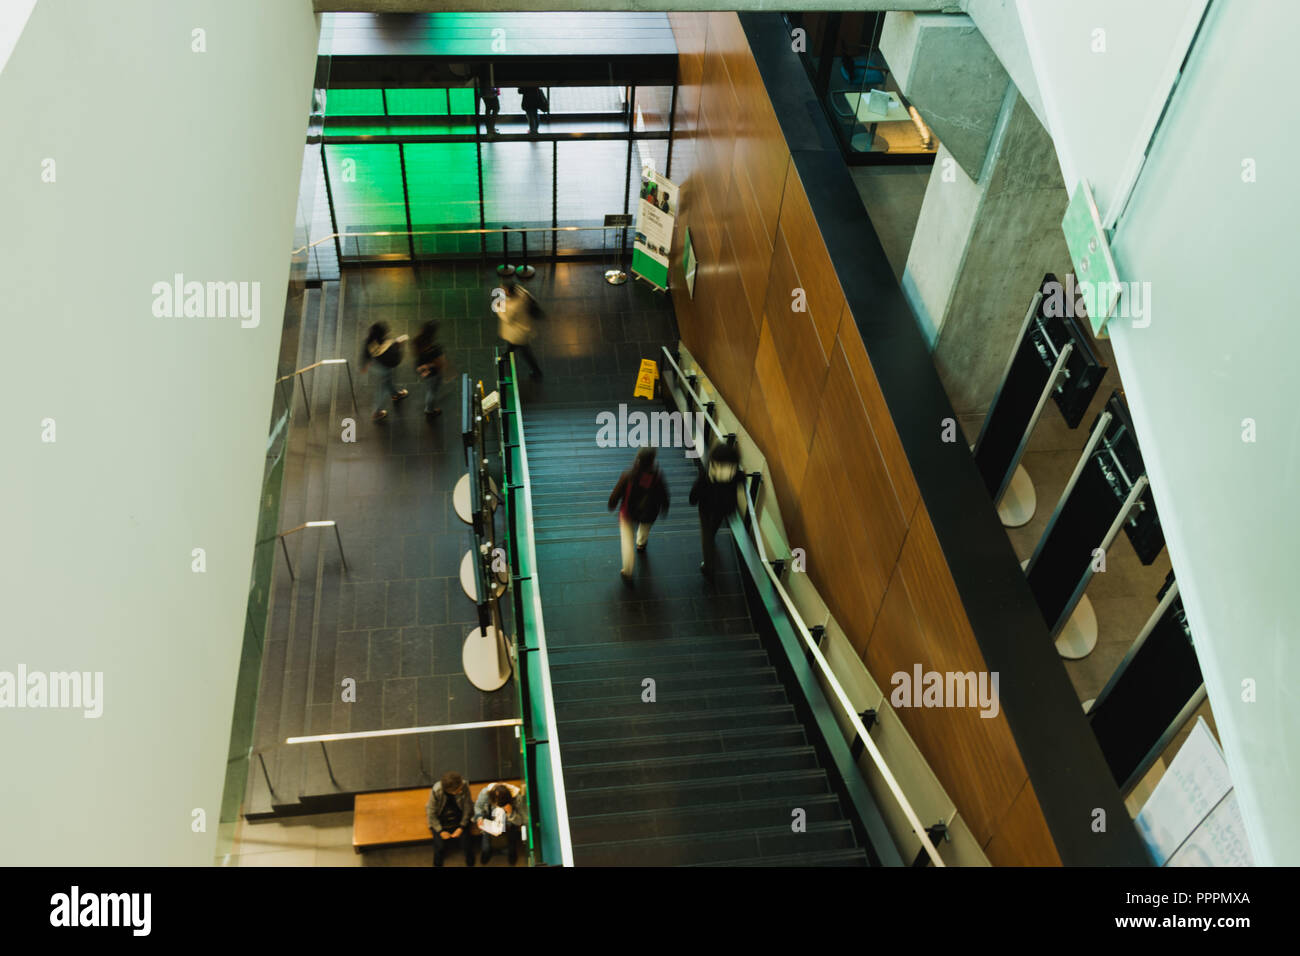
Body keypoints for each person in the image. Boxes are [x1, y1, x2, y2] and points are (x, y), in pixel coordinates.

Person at [608, 447, 669, 585]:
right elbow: (663, 495)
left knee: (627, 542)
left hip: (628, 513)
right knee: (645, 527)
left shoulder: (628, 475)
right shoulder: (657, 477)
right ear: (652, 460)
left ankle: (628, 572)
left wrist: (612, 504)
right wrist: (665, 507)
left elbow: (616, 494)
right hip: (649, 512)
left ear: (638, 458)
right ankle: (641, 544)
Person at [689, 442, 746, 578]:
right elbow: (742, 479)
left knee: (706, 536)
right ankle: (712, 535)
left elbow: (694, 495)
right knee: (716, 524)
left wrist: (693, 499)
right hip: (724, 508)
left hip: (706, 509)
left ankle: (708, 567)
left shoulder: (707, 476)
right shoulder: (735, 474)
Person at [360, 321, 408, 423]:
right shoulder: (387, 345)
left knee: (387, 382)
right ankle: (377, 412)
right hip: (385, 369)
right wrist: (400, 346)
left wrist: (364, 365)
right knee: (381, 391)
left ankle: (395, 394)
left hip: (376, 367)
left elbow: (365, 354)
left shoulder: (369, 341)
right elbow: (395, 361)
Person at [426, 771, 475, 867]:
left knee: (466, 843)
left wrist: (461, 826)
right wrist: (440, 831)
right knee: (439, 847)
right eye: (458, 790)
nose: (461, 790)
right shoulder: (437, 790)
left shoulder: (464, 785)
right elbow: (431, 813)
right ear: (449, 791)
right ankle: (437, 863)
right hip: (441, 821)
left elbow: (467, 807)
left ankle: (470, 861)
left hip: (459, 819)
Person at [495, 281, 543, 378]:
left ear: (508, 292)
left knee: (525, 352)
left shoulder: (511, 305)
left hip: (518, 333)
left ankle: (537, 372)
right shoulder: (521, 292)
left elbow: (507, 319)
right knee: (513, 344)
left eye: (503, 289)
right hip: (525, 326)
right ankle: (507, 354)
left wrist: (497, 307)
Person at [472, 781, 524, 865]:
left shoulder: (517, 798)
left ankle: (512, 856)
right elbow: (478, 806)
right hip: (490, 822)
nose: (496, 804)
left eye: (499, 804)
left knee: (511, 845)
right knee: (486, 846)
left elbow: (520, 821)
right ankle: (486, 855)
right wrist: (479, 817)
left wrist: (510, 813)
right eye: (494, 802)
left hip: (508, 825)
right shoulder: (485, 793)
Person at [413, 320, 445, 418]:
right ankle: (429, 410)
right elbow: (439, 364)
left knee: (430, 388)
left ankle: (429, 409)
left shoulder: (417, 340)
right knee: (432, 391)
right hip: (432, 374)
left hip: (422, 369)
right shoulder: (434, 349)